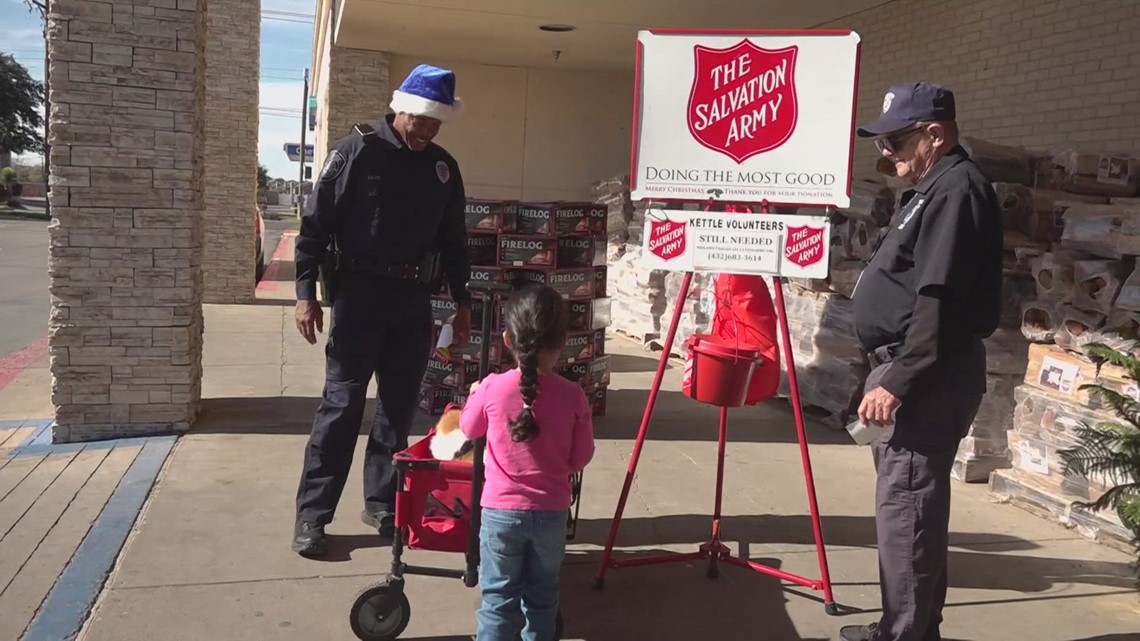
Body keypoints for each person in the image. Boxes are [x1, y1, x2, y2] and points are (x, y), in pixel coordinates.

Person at [842, 82, 1003, 641]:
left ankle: (905, 634)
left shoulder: (956, 189)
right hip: (912, 368)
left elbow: (938, 297)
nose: (888, 154)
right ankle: (908, 626)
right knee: (910, 512)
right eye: (883, 144)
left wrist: (901, 380)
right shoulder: (932, 187)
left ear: (935, 134)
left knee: (906, 511)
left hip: (926, 375)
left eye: (896, 142)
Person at [291, 64, 473, 557]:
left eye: (437, 123)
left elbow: (454, 242)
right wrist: (305, 291)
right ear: (400, 109)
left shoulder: (443, 168)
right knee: (342, 408)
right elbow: (314, 226)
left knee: (396, 412)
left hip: (414, 302)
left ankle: (383, 505)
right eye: (422, 120)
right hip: (358, 299)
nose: (429, 131)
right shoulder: (356, 152)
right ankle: (313, 516)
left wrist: (462, 302)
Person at [459, 285, 596, 641]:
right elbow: (581, 457)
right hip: (551, 514)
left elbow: (468, 427)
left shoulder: (491, 387)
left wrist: (474, 394)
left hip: (500, 515)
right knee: (542, 599)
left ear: (507, 338)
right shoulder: (574, 395)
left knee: (498, 601)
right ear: (563, 340)